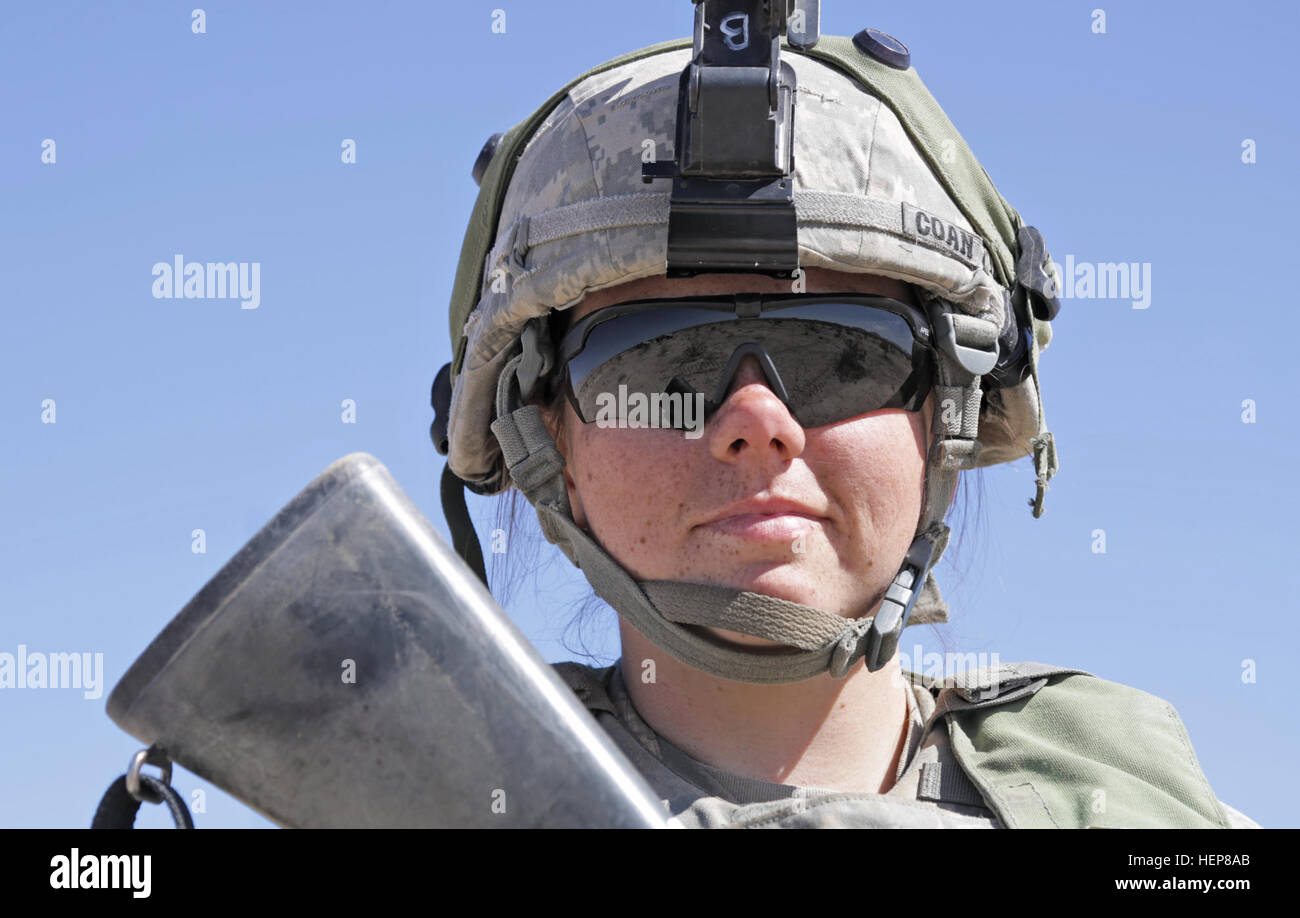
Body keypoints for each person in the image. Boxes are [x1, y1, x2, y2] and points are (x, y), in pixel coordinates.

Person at [432, 8, 1259, 828]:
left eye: (842, 356)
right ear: (547, 437)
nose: (757, 423)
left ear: (948, 413)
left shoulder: (1143, 818)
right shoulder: (420, 792)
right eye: (660, 363)